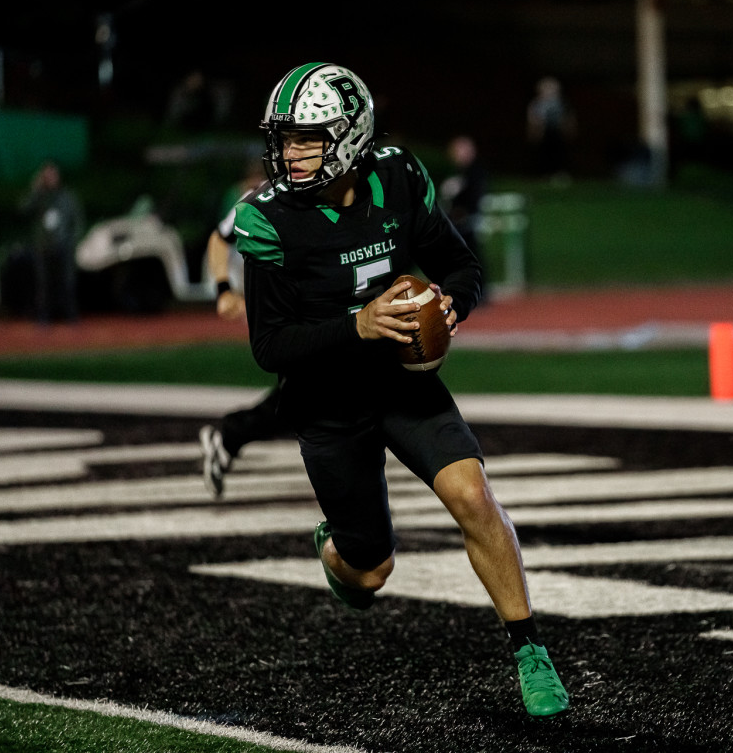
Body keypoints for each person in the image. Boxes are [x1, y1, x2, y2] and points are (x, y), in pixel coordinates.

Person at [230, 62, 569, 718]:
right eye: (285, 139)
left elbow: (462, 266)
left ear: (350, 137)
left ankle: (529, 649)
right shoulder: (267, 220)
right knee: (370, 570)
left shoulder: (398, 176)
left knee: (473, 494)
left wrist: (450, 306)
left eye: (307, 138)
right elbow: (269, 346)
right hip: (327, 404)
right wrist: (355, 326)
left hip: (402, 383)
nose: (290, 153)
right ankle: (336, 546)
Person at [198, 160, 281, 499]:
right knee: (312, 394)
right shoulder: (260, 199)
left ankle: (229, 437)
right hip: (280, 315)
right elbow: (219, 239)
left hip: (321, 314)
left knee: (308, 398)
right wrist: (223, 289)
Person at [19, 160, 83, 324]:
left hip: (63, 245)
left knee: (67, 282)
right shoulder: (39, 196)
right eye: (47, 175)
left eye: (53, 174)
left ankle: (70, 315)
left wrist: (71, 240)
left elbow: (76, 220)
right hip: (43, 246)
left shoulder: (67, 196)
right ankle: (44, 316)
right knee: (44, 284)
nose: (51, 178)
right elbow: (23, 209)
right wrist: (36, 190)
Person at [439, 135, 488, 296]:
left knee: (472, 258)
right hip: (459, 223)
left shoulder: (475, 171)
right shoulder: (458, 172)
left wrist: (461, 212)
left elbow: (474, 196)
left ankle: (480, 291)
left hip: (468, 222)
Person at [526, 76, 574, 184]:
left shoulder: (561, 103)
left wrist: (568, 128)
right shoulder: (537, 103)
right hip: (543, 133)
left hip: (557, 132)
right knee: (543, 154)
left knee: (559, 153)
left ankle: (559, 174)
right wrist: (534, 131)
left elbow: (568, 117)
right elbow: (533, 118)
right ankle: (544, 174)